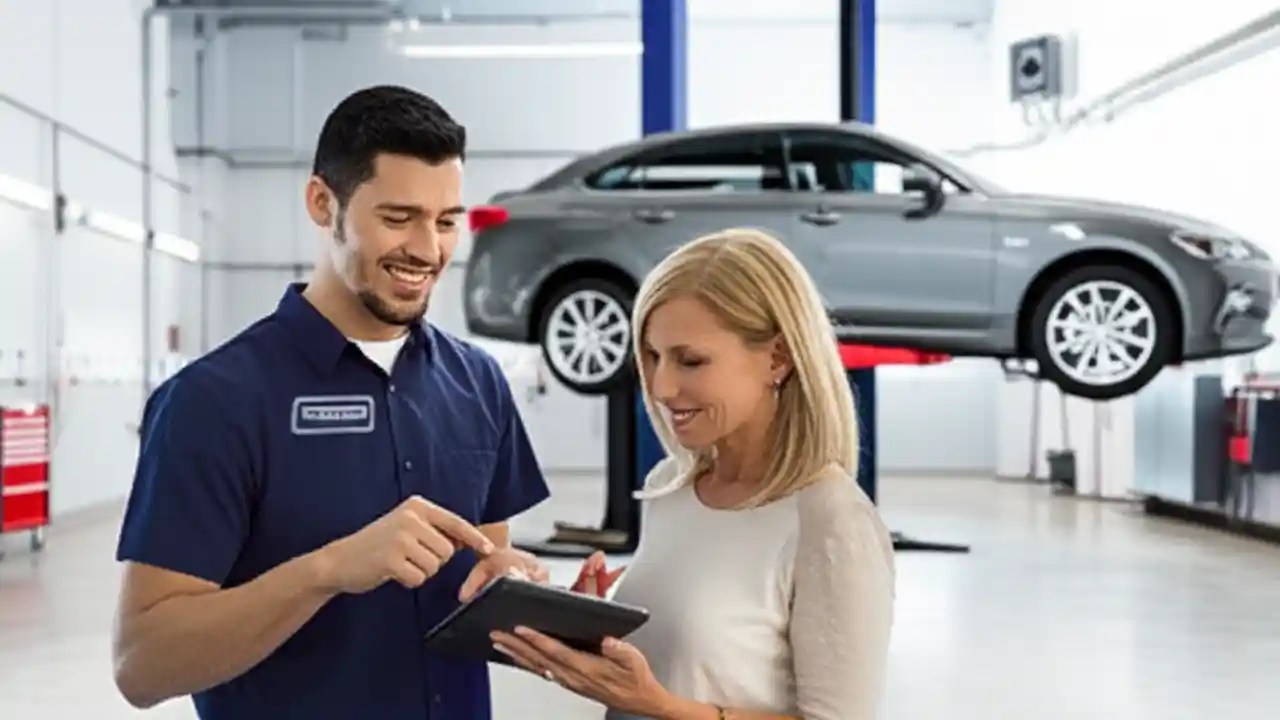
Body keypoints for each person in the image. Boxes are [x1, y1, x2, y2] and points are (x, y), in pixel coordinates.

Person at [111, 85, 551, 719]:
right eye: (398, 218)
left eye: (447, 221)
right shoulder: (212, 403)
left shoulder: (479, 383)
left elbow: (483, 568)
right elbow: (142, 666)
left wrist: (514, 588)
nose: (428, 250)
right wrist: (330, 569)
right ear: (324, 203)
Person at [492, 228, 896, 720]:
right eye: (653, 357)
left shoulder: (830, 521)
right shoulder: (672, 488)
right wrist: (590, 634)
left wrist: (659, 706)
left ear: (778, 358)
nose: (661, 387)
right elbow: (687, 666)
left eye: (691, 361)